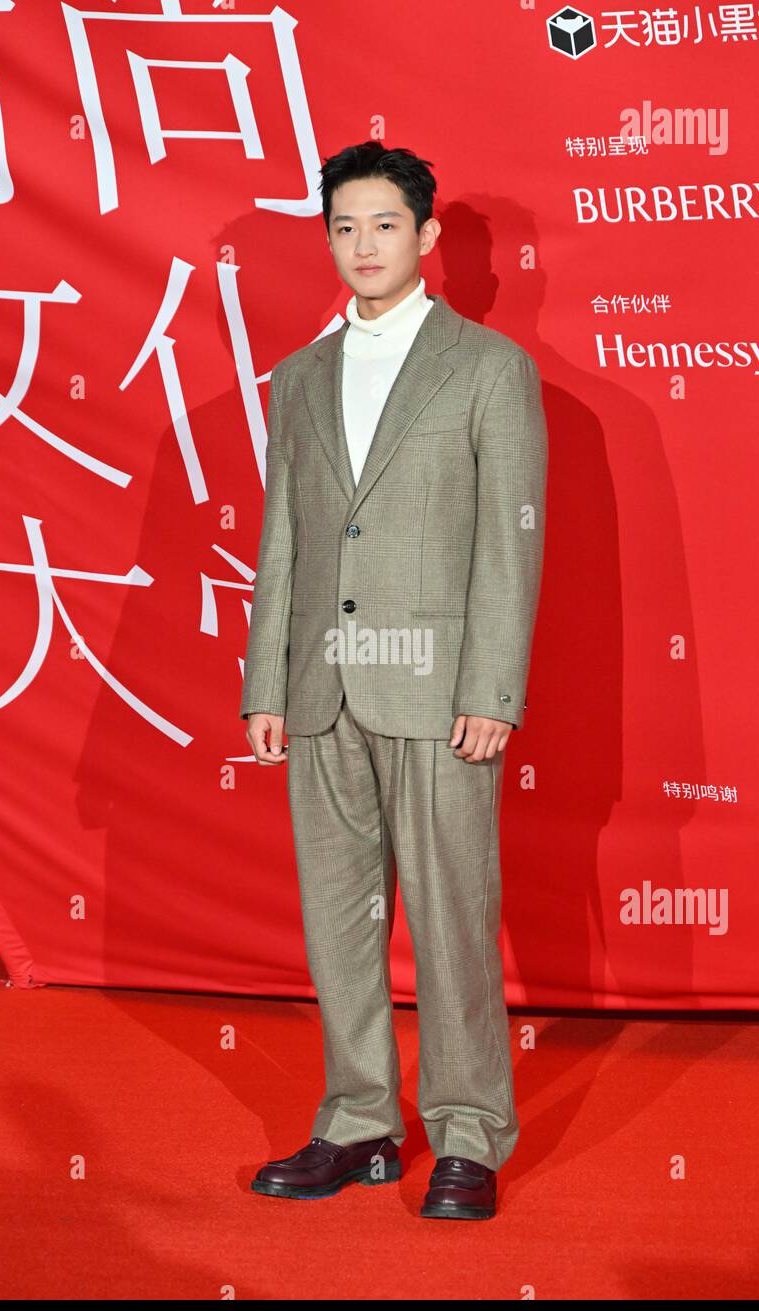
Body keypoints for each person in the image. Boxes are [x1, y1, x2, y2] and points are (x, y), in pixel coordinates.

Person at [240, 140, 548, 1220]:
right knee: (337, 919)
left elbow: (510, 548)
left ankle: (468, 1131)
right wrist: (266, 682)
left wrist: (489, 691)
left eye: (382, 224)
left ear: (424, 238)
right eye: (343, 226)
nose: (361, 244)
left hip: (435, 691)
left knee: (455, 916)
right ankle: (359, 1119)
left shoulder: (488, 368)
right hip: (323, 687)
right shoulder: (297, 378)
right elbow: (283, 539)